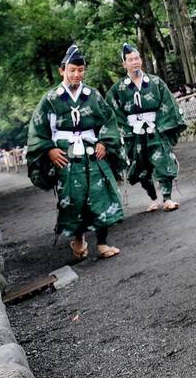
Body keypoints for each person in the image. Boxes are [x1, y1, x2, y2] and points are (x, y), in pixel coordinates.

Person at [25, 45, 125, 261]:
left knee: (101, 195)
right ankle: (78, 237)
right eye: (72, 70)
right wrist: (49, 149)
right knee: (73, 199)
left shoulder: (93, 95)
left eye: (80, 70)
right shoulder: (51, 98)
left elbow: (109, 119)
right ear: (62, 71)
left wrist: (105, 142)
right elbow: (37, 128)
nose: (76, 75)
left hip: (92, 150)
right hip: (65, 155)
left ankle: (102, 242)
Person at [107, 44, 185, 211]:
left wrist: (163, 126)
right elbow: (112, 113)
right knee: (140, 166)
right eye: (130, 60)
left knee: (162, 161)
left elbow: (168, 103)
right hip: (132, 133)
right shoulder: (117, 89)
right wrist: (125, 131)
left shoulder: (156, 82)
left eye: (136, 58)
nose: (134, 62)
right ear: (124, 64)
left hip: (155, 129)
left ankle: (167, 198)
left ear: (141, 60)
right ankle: (153, 198)